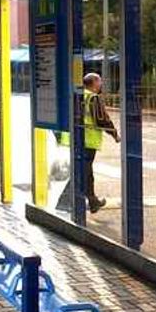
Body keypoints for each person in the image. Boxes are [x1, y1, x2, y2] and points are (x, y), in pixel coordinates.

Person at [57, 72, 119, 214]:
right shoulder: (92, 97)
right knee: (82, 173)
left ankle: (92, 201)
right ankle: (64, 203)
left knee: (84, 172)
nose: (101, 84)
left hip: (74, 140)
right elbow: (102, 119)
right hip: (87, 141)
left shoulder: (76, 95)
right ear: (94, 83)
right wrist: (114, 133)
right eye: (100, 82)